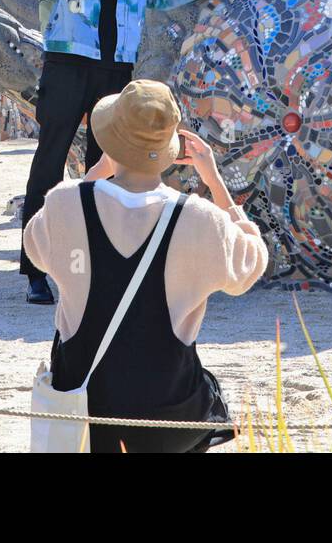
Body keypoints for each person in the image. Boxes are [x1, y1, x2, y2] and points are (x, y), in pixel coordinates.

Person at [14, 0, 240, 304]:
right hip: (68, 55)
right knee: (51, 154)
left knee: (112, 161)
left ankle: (98, 261)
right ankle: (35, 267)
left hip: (116, 62)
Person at [23, 78, 268, 452]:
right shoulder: (201, 219)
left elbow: (35, 245)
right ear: (169, 146)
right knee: (210, 395)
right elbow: (251, 264)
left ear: (111, 141)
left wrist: (94, 176)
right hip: (167, 412)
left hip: (85, 406)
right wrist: (216, 184)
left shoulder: (65, 203)